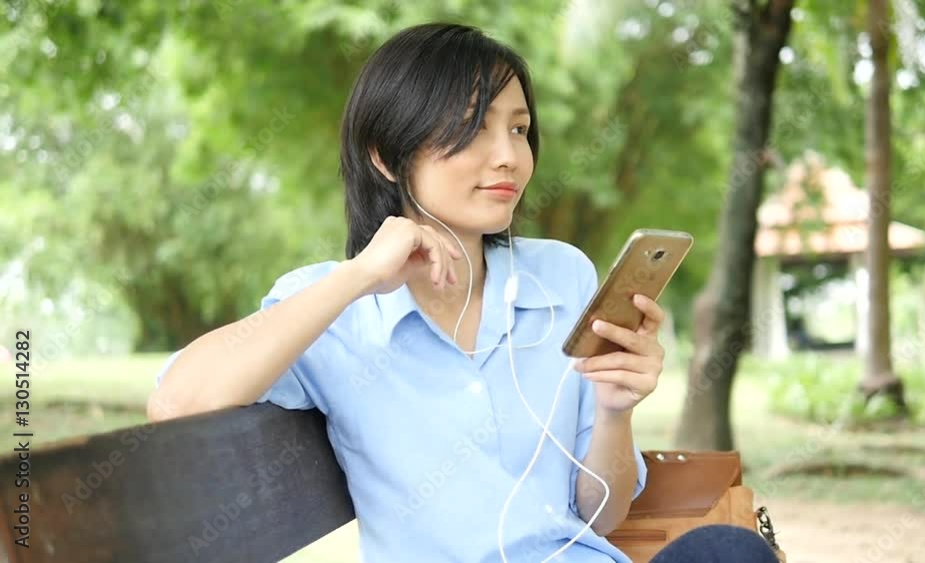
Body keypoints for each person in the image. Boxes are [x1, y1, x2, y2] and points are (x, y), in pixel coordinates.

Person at [150, 22, 778, 563]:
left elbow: (602, 518)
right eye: (475, 128)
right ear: (386, 156)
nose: (508, 156)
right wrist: (361, 275)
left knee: (731, 552)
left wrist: (616, 411)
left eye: (520, 129)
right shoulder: (331, 304)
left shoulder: (562, 278)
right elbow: (177, 403)